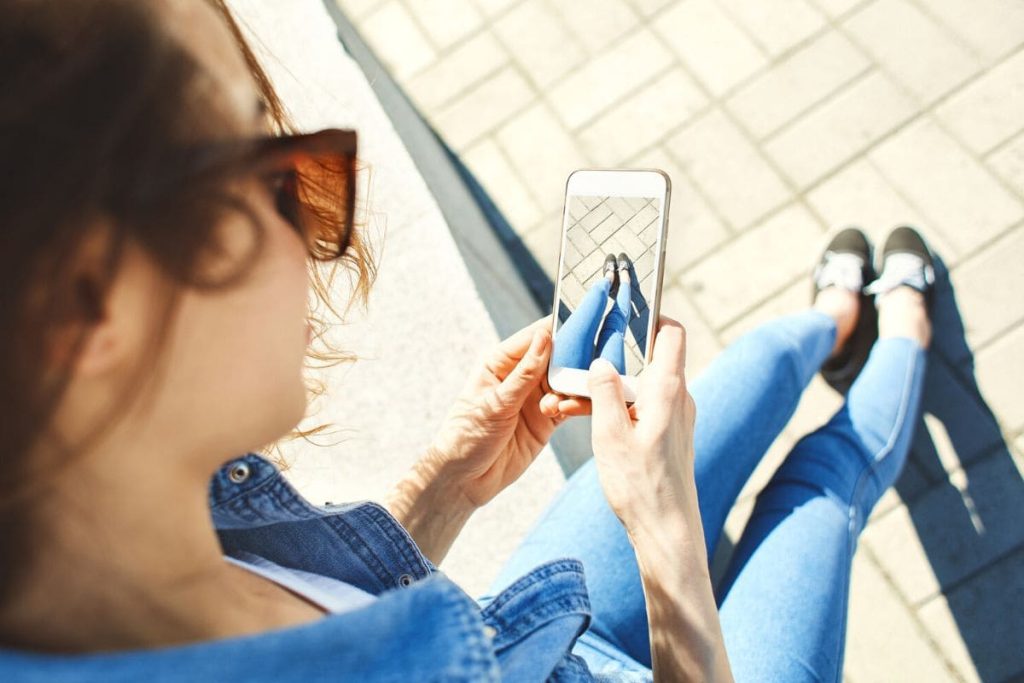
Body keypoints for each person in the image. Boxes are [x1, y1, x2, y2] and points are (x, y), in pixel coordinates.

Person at [0, 1, 937, 681]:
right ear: (89, 308)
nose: (323, 218)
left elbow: (329, 610)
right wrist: (666, 538)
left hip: (531, 633)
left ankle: (829, 321)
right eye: (267, 171)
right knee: (820, 487)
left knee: (743, 372)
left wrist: (447, 479)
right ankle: (903, 320)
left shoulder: (106, 520)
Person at [552, 253, 635, 374]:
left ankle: (609, 279)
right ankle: (625, 281)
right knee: (615, 325)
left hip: (559, 370)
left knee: (595, 296)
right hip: (601, 387)